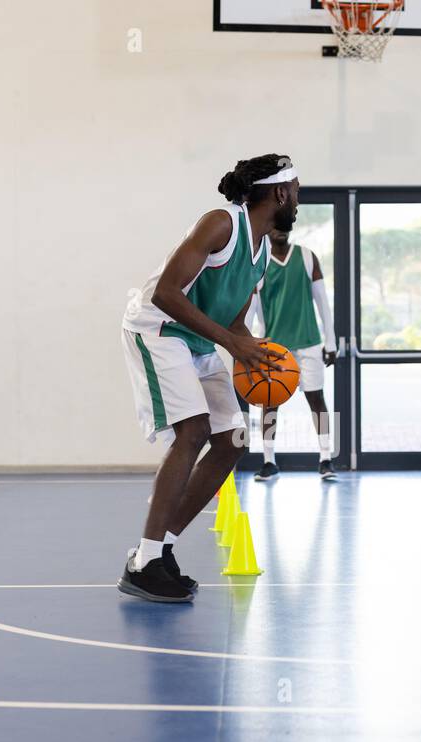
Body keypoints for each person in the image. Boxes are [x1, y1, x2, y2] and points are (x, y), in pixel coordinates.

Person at [118, 154, 298, 601]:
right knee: (194, 430)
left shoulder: (260, 249)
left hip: (197, 338)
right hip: (157, 328)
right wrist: (232, 344)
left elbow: (233, 322)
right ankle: (143, 561)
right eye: (296, 188)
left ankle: (162, 548)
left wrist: (254, 349)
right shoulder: (222, 223)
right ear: (279, 193)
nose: (299, 197)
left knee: (233, 440)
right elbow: (165, 293)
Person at [248, 224, 339, 481]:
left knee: (316, 399)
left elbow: (323, 302)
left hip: (309, 342)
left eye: (285, 225)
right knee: (270, 401)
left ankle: (325, 459)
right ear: (267, 230)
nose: (280, 229)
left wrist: (330, 343)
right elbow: (252, 308)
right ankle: (269, 461)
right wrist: (248, 343)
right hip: (276, 346)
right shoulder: (261, 264)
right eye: (275, 225)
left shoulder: (307, 257)